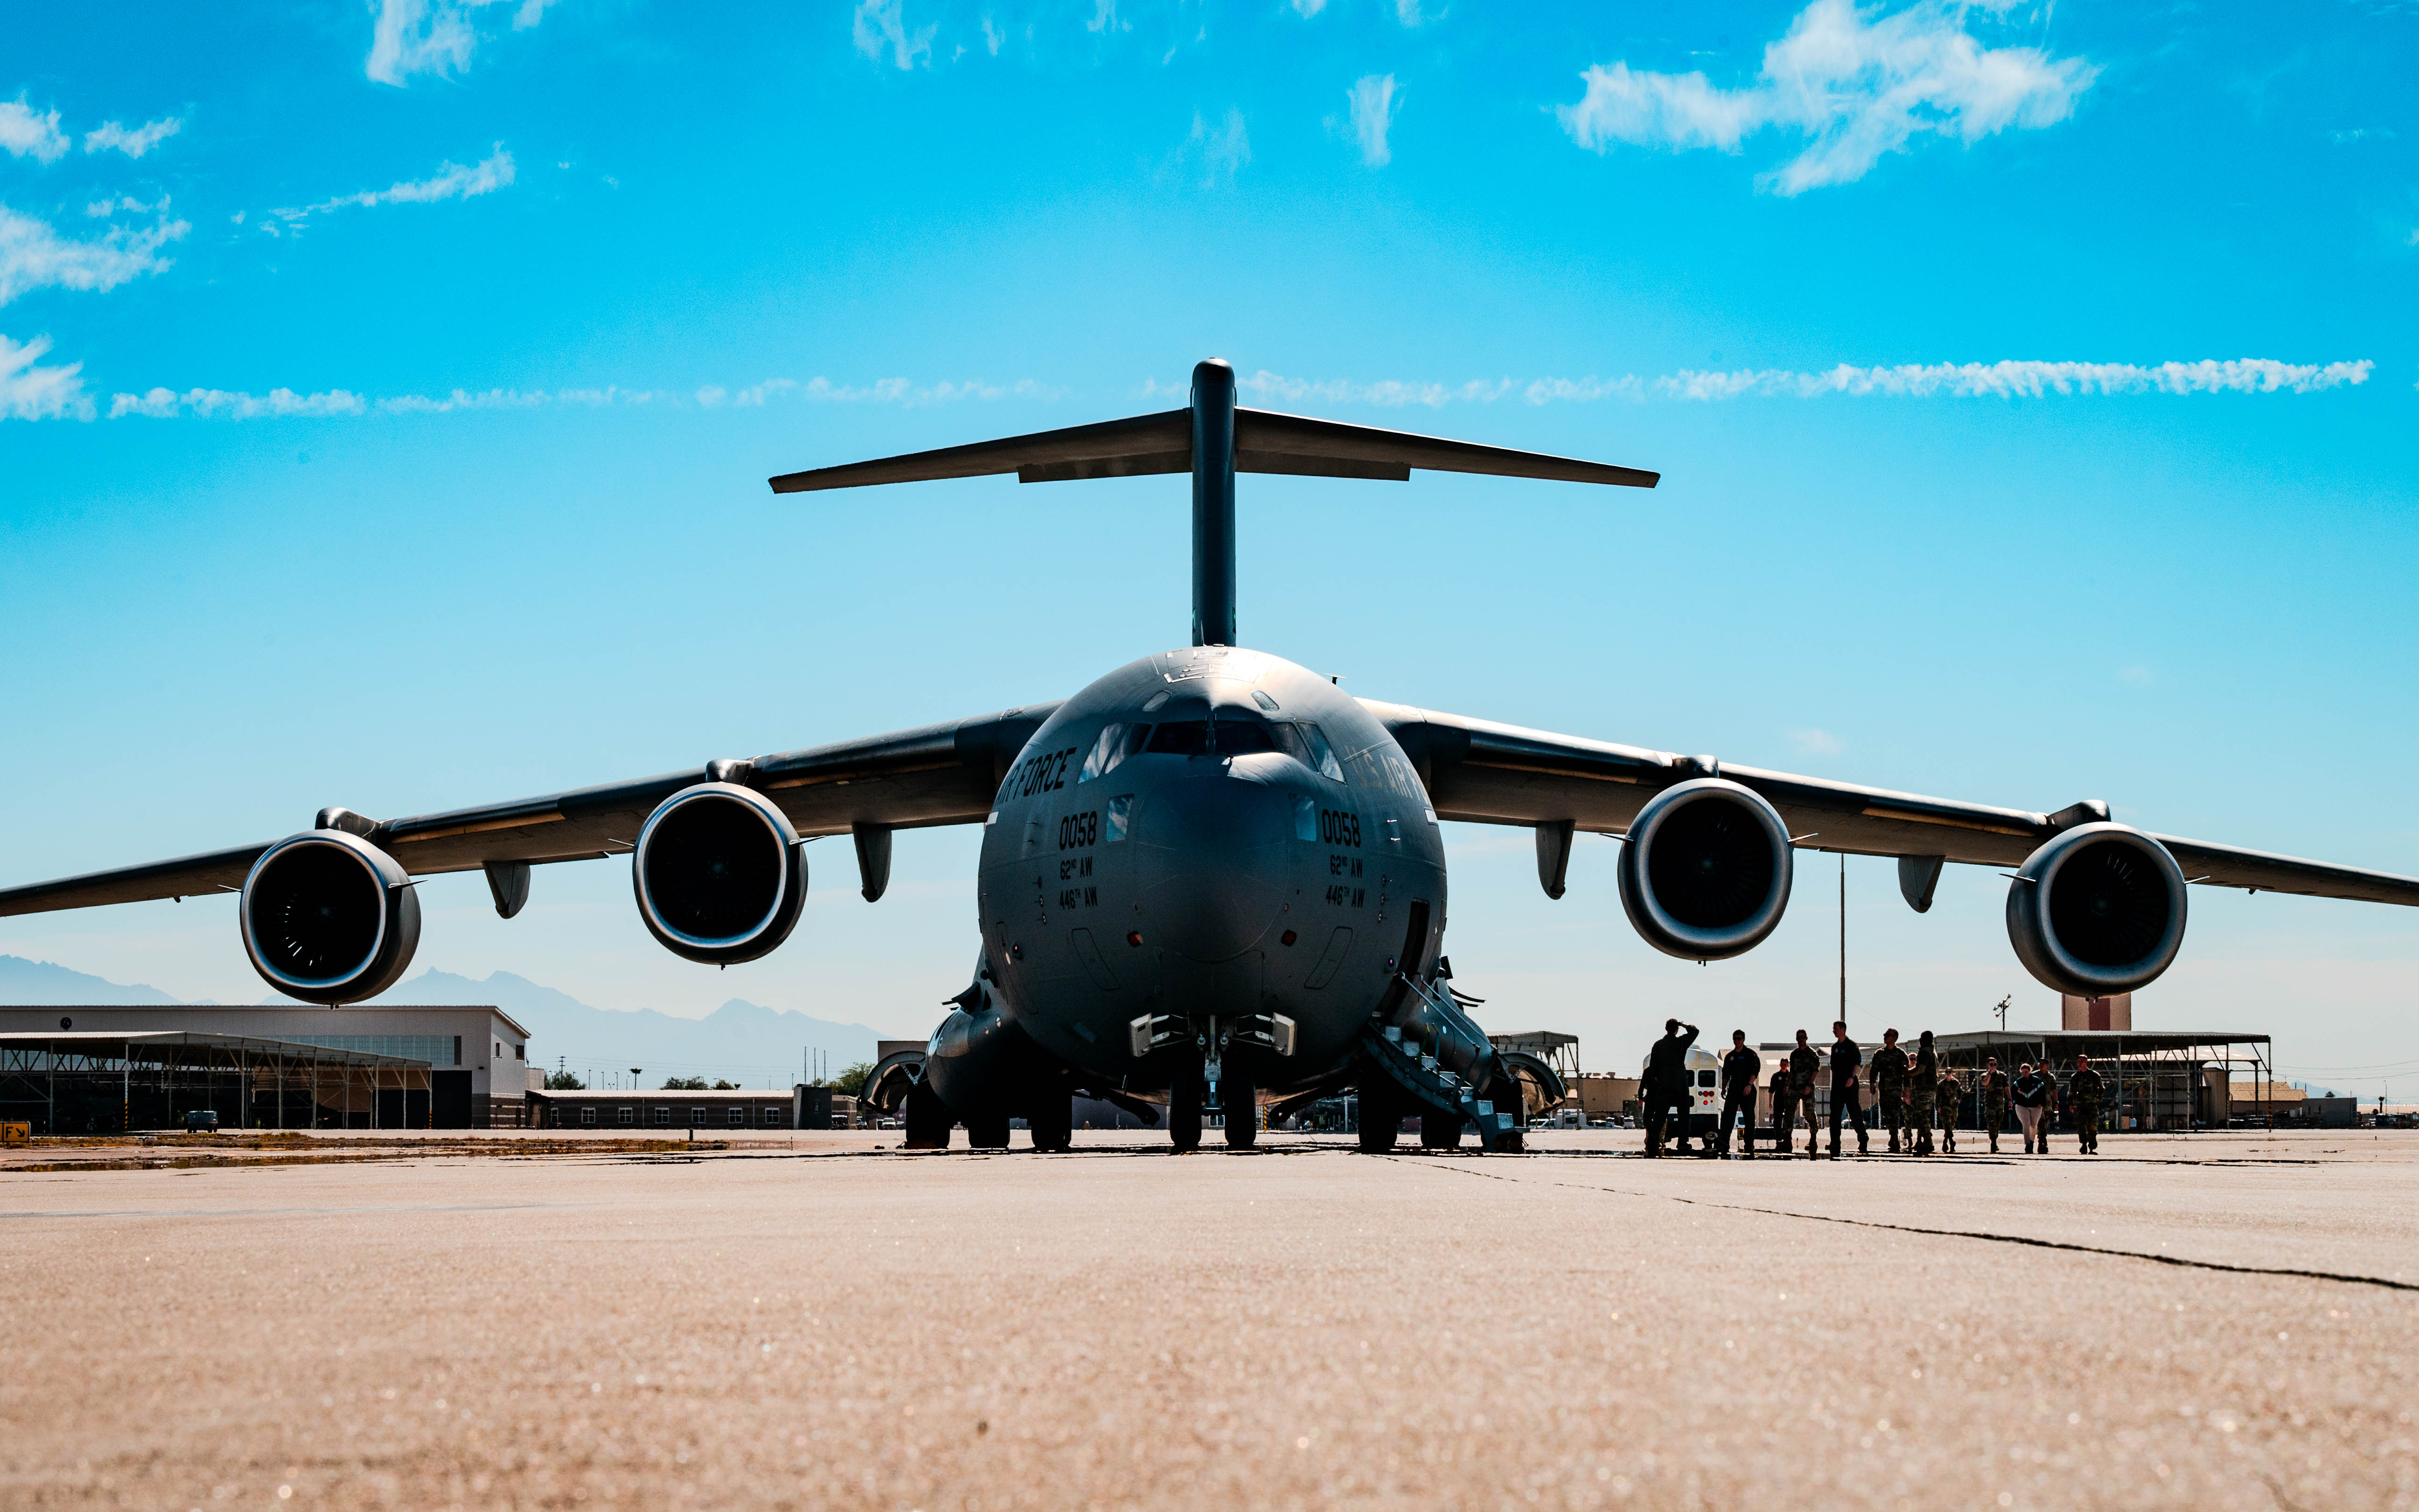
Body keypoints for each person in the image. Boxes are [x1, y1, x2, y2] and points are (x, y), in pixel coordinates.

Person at [1641, 1019, 1698, 1158]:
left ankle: (1653, 1141)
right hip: (1680, 1083)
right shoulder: (1681, 1042)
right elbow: (1695, 1031)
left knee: (1661, 1115)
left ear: (1666, 1028)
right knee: (1684, 1114)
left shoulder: (1658, 1045)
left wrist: (1657, 1080)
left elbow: (1653, 1067)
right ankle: (1683, 1142)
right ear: (1676, 1030)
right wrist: (1683, 1025)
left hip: (1664, 1083)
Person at [1827, 1020, 1869, 1157]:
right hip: (1838, 1085)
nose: (1834, 1031)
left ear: (1843, 1030)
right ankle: (1835, 1143)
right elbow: (1833, 1067)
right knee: (1835, 1116)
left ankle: (1863, 1139)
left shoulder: (1851, 1046)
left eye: (1836, 1029)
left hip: (1850, 1083)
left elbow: (1857, 1063)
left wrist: (1852, 1077)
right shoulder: (1834, 1048)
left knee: (1855, 1113)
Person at [1718, 1030, 1762, 1158]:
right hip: (1734, 1089)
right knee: (1728, 1117)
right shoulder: (1730, 1057)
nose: (1737, 1041)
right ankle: (1724, 1143)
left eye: (1739, 1039)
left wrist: (1749, 1085)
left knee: (1749, 1118)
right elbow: (1726, 1074)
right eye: (1735, 1039)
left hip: (1747, 1089)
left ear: (1743, 1040)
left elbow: (1756, 1070)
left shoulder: (1750, 1055)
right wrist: (1724, 1088)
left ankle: (1749, 1144)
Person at [1871, 1029, 1911, 1153]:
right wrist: (1872, 1084)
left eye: (1887, 1036)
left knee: (1894, 1114)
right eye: (1885, 1035)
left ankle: (1894, 1137)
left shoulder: (1901, 1055)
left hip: (1896, 1089)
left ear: (1895, 1038)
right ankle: (1893, 1134)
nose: (1885, 1037)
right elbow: (1874, 1070)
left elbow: (1906, 1075)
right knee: (1886, 1114)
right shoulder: (1879, 1054)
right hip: (1883, 1089)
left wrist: (1907, 1090)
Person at [1785, 1030, 1821, 1156]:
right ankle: (1788, 1140)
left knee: (1809, 1113)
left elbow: (1815, 1071)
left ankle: (1813, 1140)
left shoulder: (1812, 1054)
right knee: (1789, 1112)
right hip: (1795, 1088)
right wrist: (1788, 1085)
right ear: (1796, 1039)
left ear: (1807, 1038)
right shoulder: (1794, 1055)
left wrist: (1810, 1085)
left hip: (1807, 1088)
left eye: (1803, 1038)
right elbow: (1792, 1072)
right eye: (1799, 1038)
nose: (1801, 1040)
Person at [1910, 1030, 1941, 1155]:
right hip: (1931, 1086)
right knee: (1923, 1113)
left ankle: (1928, 1140)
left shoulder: (1924, 1052)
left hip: (1924, 1086)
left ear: (1924, 1040)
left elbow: (1920, 1069)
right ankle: (1921, 1140)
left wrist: (1908, 1072)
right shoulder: (1933, 1052)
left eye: (1921, 1038)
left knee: (1922, 1115)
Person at [2069, 1053, 2105, 1155]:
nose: (2080, 1064)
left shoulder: (2094, 1075)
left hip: (2091, 1105)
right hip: (2080, 1105)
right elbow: (2072, 1091)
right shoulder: (2075, 1077)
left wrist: (2098, 1099)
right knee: (2081, 1126)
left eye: (2082, 1062)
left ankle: (2092, 1147)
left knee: (2092, 1126)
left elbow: (2101, 1088)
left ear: (2086, 1063)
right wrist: (2071, 1104)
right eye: (2079, 1062)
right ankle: (2084, 1145)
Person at [2012, 1060, 2048, 1154]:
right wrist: (2016, 1100)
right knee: (2026, 1124)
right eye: (2023, 1072)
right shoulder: (2019, 1082)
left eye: (2027, 1072)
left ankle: (2032, 1142)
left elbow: (2043, 1092)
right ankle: (2028, 1144)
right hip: (2022, 1106)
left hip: (2036, 1106)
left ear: (2030, 1071)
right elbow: (2013, 1092)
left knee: (2033, 1125)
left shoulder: (2037, 1080)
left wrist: (2042, 1103)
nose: (2025, 1074)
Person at [1979, 1056, 2010, 1154]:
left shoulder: (2002, 1076)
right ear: (1988, 1065)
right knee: (1991, 1122)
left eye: (1995, 1064)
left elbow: (2006, 1088)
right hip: (1990, 1103)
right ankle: (1993, 1142)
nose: (1993, 1066)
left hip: (2000, 1103)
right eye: (1991, 1064)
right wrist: (1990, 1073)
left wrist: (2010, 1100)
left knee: (1998, 1123)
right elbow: (1985, 1083)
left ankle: (1995, 1140)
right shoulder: (1984, 1075)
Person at [1934, 1062, 1961, 1154]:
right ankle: (1952, 1143)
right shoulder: (1942, 1084)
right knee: (1947, 1125)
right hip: (1945, 1107)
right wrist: (1938, 1107)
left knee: (1951, 1126)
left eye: (1950, 1072)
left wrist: (1959, 1099)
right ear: (1945, 1073)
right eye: (1947, 1072)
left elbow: (1960, 1092)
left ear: (1952, 1073)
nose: (1948, 1073)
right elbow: (1937, 1096)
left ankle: (1945, 1143)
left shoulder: (1956, 1083)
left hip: (1954, 1107)